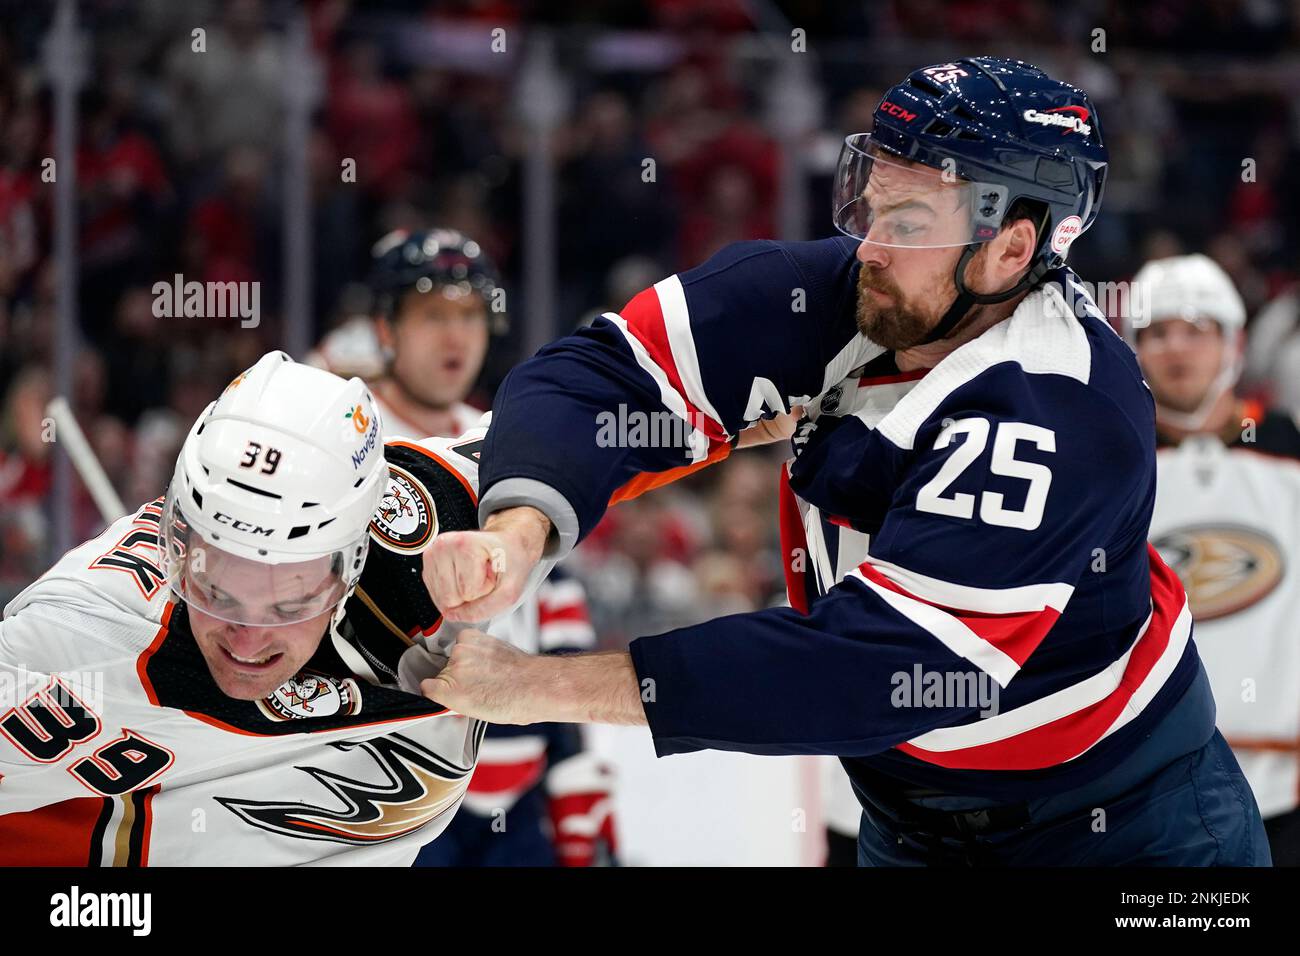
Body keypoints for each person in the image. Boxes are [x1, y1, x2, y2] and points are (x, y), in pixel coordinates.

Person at [417, 57, 1270, 866]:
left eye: (906, 223)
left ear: (1011, 250)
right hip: (908, 821)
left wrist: (537, 687)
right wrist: (519, 531)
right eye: (870, 201)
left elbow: (886, 671)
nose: (868, 245)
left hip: (1126, 828)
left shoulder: (1056, 407)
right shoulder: (853, 291)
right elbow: (601, 373)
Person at [0, 351, 532, 865]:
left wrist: (551, 678)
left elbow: (597, 379)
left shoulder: (435, 534)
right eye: (217, 593)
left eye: (291, 601)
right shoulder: (88, 632)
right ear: (179, 546)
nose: (247, 640)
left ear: (353, 557)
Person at [359, 228, 617, 866]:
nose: (457, 337)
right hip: (390, 785)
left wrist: (572, 765)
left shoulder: (502, 436)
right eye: (433, 315)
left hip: (512, 784)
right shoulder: (348, 440)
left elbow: (549, 602)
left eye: (471, 315)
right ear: (386, 329)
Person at [1133, 253, 1300, 866]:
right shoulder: (1106, 470)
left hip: (1288, 788)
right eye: (1157, 332)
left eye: (1196, 328)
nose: (1177, 347)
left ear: (1234, 341)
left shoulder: (1289, 453)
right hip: (1148, 790)